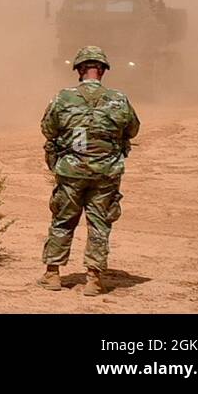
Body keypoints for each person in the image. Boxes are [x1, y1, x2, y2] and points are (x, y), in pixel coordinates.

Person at [38, 45, 140, 296]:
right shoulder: (119, 99)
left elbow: (48, 129)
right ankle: (93, 279)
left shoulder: (63, 98)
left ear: (79, 70)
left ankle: (52, 275)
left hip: (71, 172)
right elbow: (133, 130)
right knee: (99, 224)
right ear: (102, 71)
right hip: (106, 173)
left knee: (63, 221)